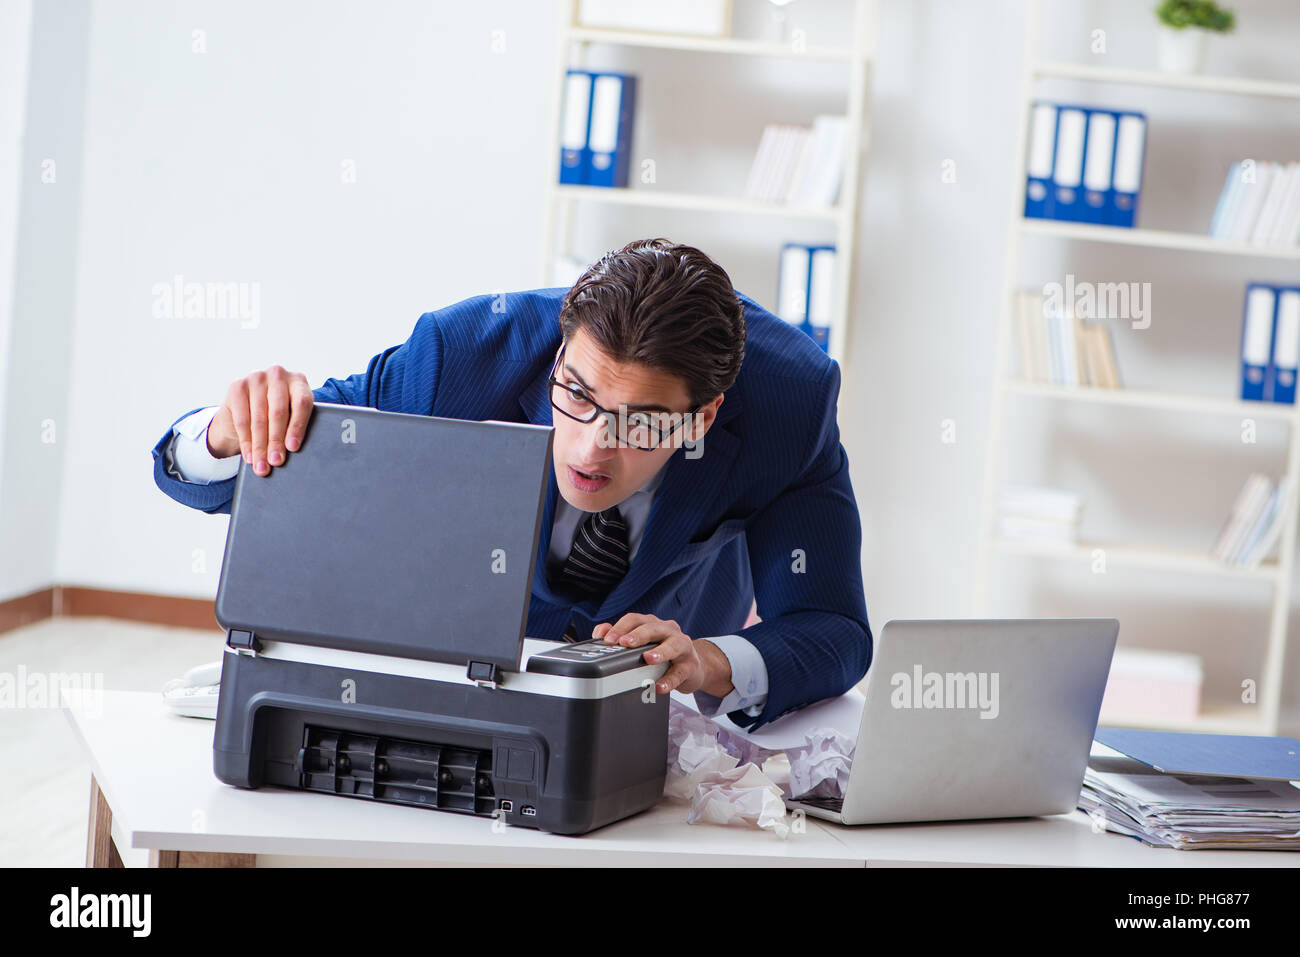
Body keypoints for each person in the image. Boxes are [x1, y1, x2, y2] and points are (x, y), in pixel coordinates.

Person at [151, 237, 872, 731]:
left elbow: (834, 628)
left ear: (703, 416)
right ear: (560, 350)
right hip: (452, 682)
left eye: (641, 425)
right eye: (577, 394)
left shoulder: (790, 404)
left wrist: (710, 659)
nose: (593, 447)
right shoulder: (462, 356)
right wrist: (226, 430)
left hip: (652, 715)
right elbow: (236, 466)